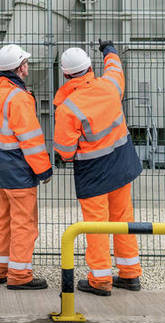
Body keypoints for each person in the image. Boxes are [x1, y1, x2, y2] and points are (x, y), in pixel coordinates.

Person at [52, 41, 143, 295]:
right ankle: (130, 274)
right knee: (123, 220)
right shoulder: (110, 85)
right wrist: (109, 50)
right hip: (122, 165)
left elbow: (65, 152)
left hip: (94, 173)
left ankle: (100, 280)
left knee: (96, 225)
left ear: (65, 74)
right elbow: (115, 68)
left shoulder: (68, 108)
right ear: (90, 67)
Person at [0, 43, 53, 290]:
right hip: (18, 170)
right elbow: (31, 140)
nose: (28, 67)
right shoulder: (19, 98)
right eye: (26, 63)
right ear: (20, 67)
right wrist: (44, 170)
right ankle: (20, 276)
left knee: (4, 220)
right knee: (24, 223)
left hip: (0, 170)